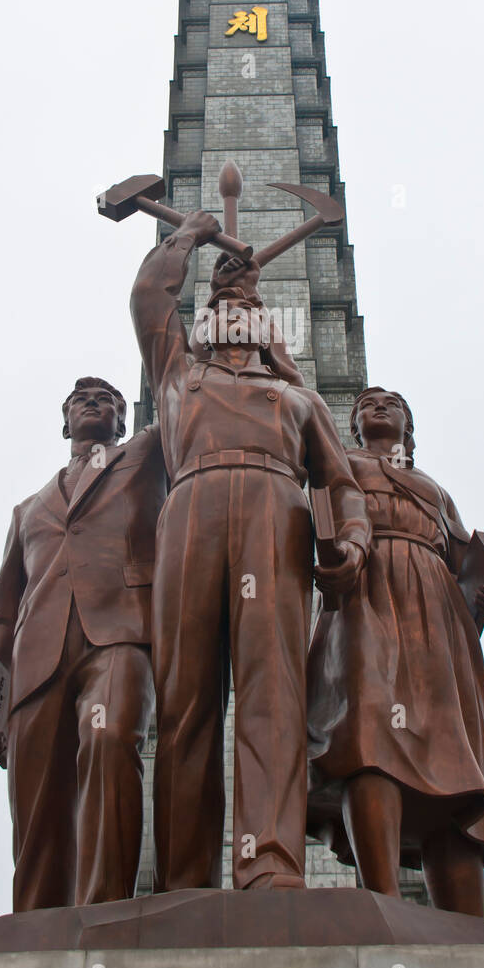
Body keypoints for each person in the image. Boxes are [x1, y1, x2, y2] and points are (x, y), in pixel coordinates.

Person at [131, 217, 370, 891]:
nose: (236, 317)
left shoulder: (298, 398)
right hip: (191, 513)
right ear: (204, 321)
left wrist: (351, 538)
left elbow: (338, 483)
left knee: (273, 694)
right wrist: (188, 239)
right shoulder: (174, 373)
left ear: (267, 328)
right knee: (185, 698)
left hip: (276, 513)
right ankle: (182, 876)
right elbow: (149, 297)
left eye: (249, 310)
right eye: (223, 308)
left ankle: (268, 860)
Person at [307, 386, 484, 915]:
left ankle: (467, 923)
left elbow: (466, 555)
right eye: (367, 404)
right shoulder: (339, 464)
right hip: (365, 594)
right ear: (352, 426)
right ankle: (380, 899)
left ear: (409, 425)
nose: (379, 407)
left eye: (392, 403)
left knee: (453, 753)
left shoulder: (434, 489)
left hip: (435, 613)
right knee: (367, 729)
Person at [0, 377, 166, 910]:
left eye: (107, 400)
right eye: (81, 400)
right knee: (36, 793)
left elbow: (177, 387)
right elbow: (1, 610)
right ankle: (37, 923)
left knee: (110, 739)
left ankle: (106, 910)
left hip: (119, 634)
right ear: (65, 421)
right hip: (39, 655)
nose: (93, 404)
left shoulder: (145, 457)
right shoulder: (27, 510)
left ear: (125, 420)